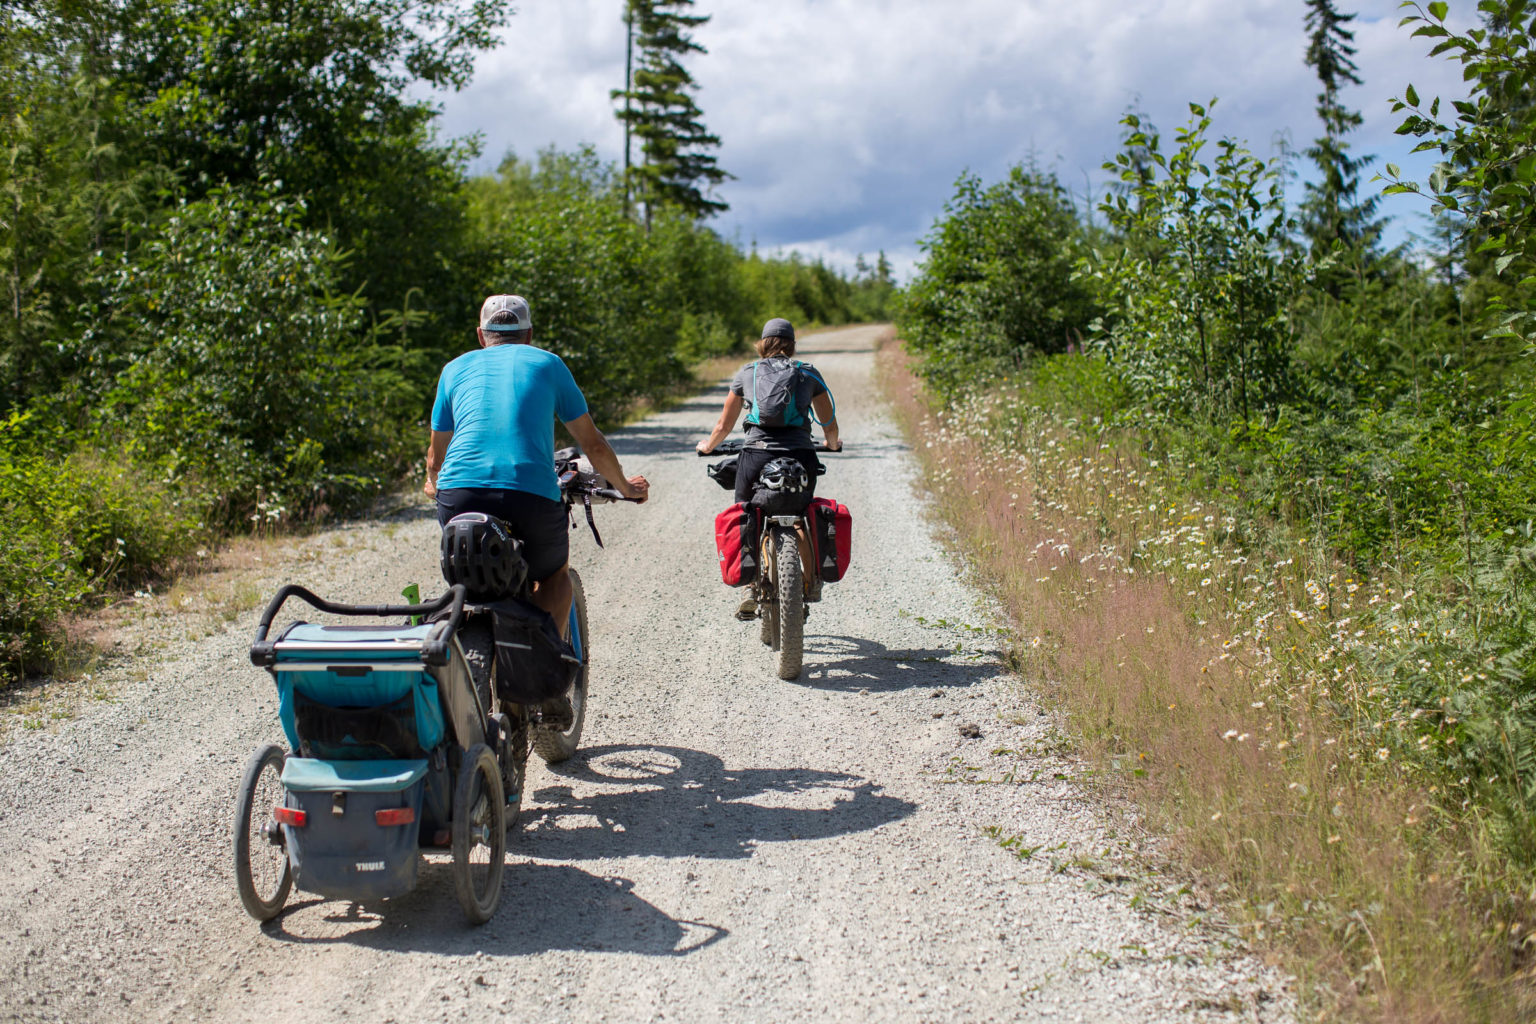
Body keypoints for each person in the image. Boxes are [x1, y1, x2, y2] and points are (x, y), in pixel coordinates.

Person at [425, 294, 648, 636]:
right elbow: (593, 445)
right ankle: (548, 668)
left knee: (469, 572)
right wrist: (626, 487)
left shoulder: (453, 369)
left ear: (481, 335)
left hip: (459, 495)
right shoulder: (548, 364)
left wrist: (433, 483)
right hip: (527, 494)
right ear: (528, 335)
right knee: (554, 575)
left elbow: (434, 458)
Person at [696, 317, 840, 618]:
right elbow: (828, 422)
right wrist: (833, 443)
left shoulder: (748, 372)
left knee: (746, 511)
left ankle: (749, 587)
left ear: (763, 343)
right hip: (801, 454)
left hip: (757, 454)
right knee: (800, 515)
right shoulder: (808, 373)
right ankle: (812, 581)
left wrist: (707, 447)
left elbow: (724, 424)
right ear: (792, 344)